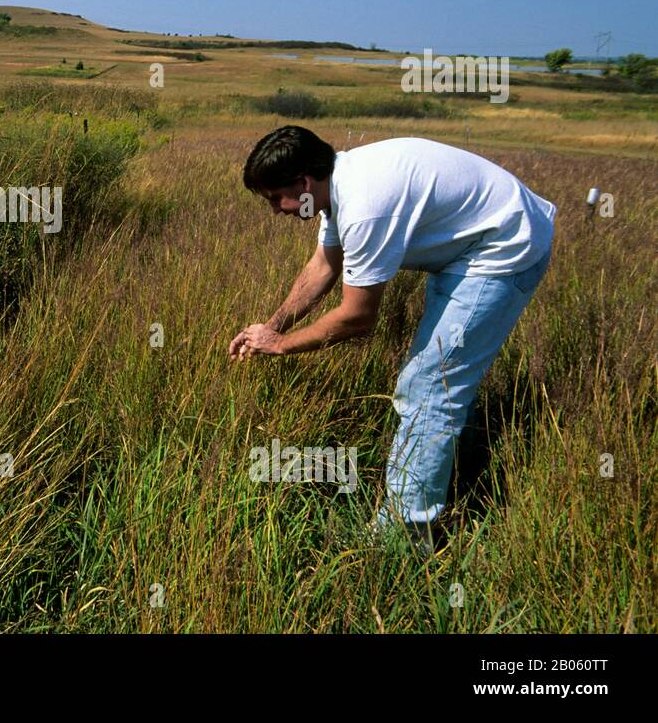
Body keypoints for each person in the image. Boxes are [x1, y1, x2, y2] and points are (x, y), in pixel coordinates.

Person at [228, 126, 556, 552]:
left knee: (428, 389)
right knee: (440, 384)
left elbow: (358, 317)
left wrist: (282, 347)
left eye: (275, 198)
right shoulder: (339, 186)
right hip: (469, 247)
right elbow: (325, 264)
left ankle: (404, 538)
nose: (275, 210)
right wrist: (272, 327)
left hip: (503, 248)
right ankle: (441, 485)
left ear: (303, 183)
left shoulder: (365, 206)